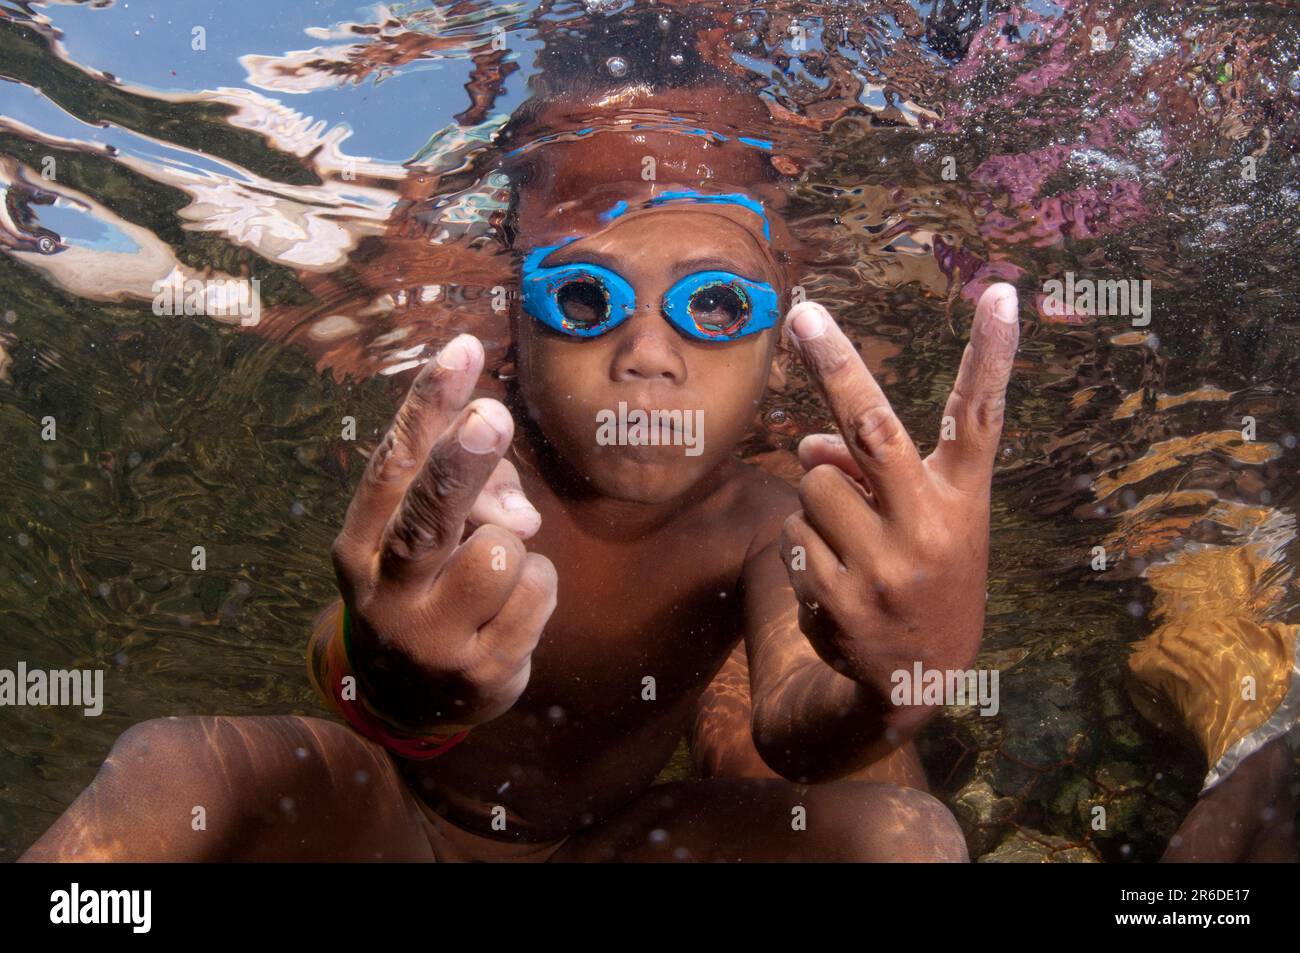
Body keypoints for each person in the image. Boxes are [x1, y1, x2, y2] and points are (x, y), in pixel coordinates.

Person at [19, 29, 1024, 860]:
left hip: (614, 848)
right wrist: (397, 686)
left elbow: (799, 722)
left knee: (905, 833)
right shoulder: (471, 463)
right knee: (168, 767)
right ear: (517, 318)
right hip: (396, 828)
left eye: (713, 303)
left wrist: (901, 679)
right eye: (584, 298)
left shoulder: (760, 520)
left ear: (776, 340)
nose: (646, 354)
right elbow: (354, 633)